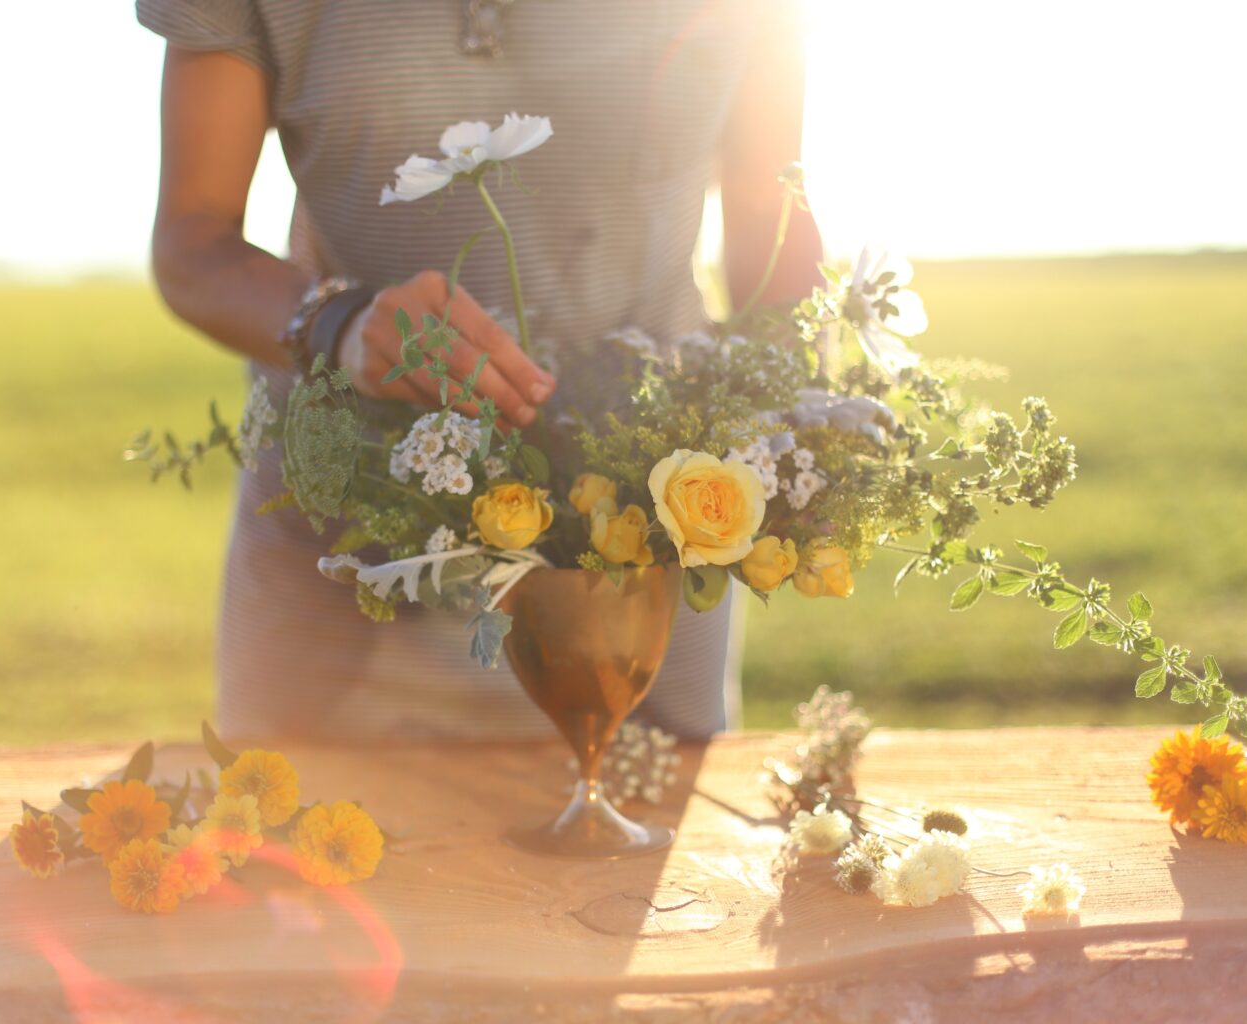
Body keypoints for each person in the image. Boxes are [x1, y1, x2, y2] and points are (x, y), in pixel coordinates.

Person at [138, 0, 824, 741]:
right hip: (349, 562)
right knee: (299, 810)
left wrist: (804, 435)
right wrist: (339, 323)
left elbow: (768, 210)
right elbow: (192, 240)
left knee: (631, 807)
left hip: (640, 559)